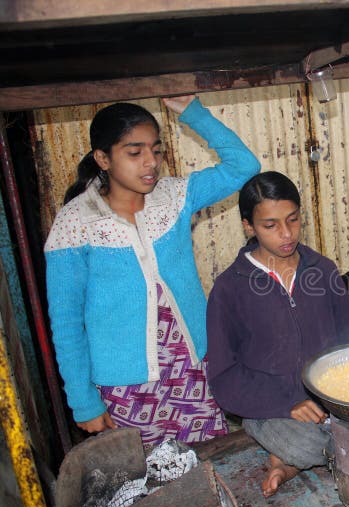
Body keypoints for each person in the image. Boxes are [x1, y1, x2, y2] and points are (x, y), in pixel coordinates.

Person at [45, 95, 261, 445]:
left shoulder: (175, 197)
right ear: (103, 158)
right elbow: (66, 321)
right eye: (135, 152)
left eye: (156, 150)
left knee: (204, 463)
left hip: (191, 368)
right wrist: (83, 402)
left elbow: (243, 166)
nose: (150, 163)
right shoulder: (75, 223)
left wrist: (194, 113)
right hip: (125, 386)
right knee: (145, 478)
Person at [205, 171, 349, 498]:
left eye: (293, 220)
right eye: (270, 225)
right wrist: (288, 403)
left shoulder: (323, 270)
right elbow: (225, 376)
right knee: (307, 444)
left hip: (330, 401)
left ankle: (284, 464)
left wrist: (348, 398)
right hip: (272, 406)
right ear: (249, 226)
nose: (287, 234)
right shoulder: (230, 288)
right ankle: (290, 458)